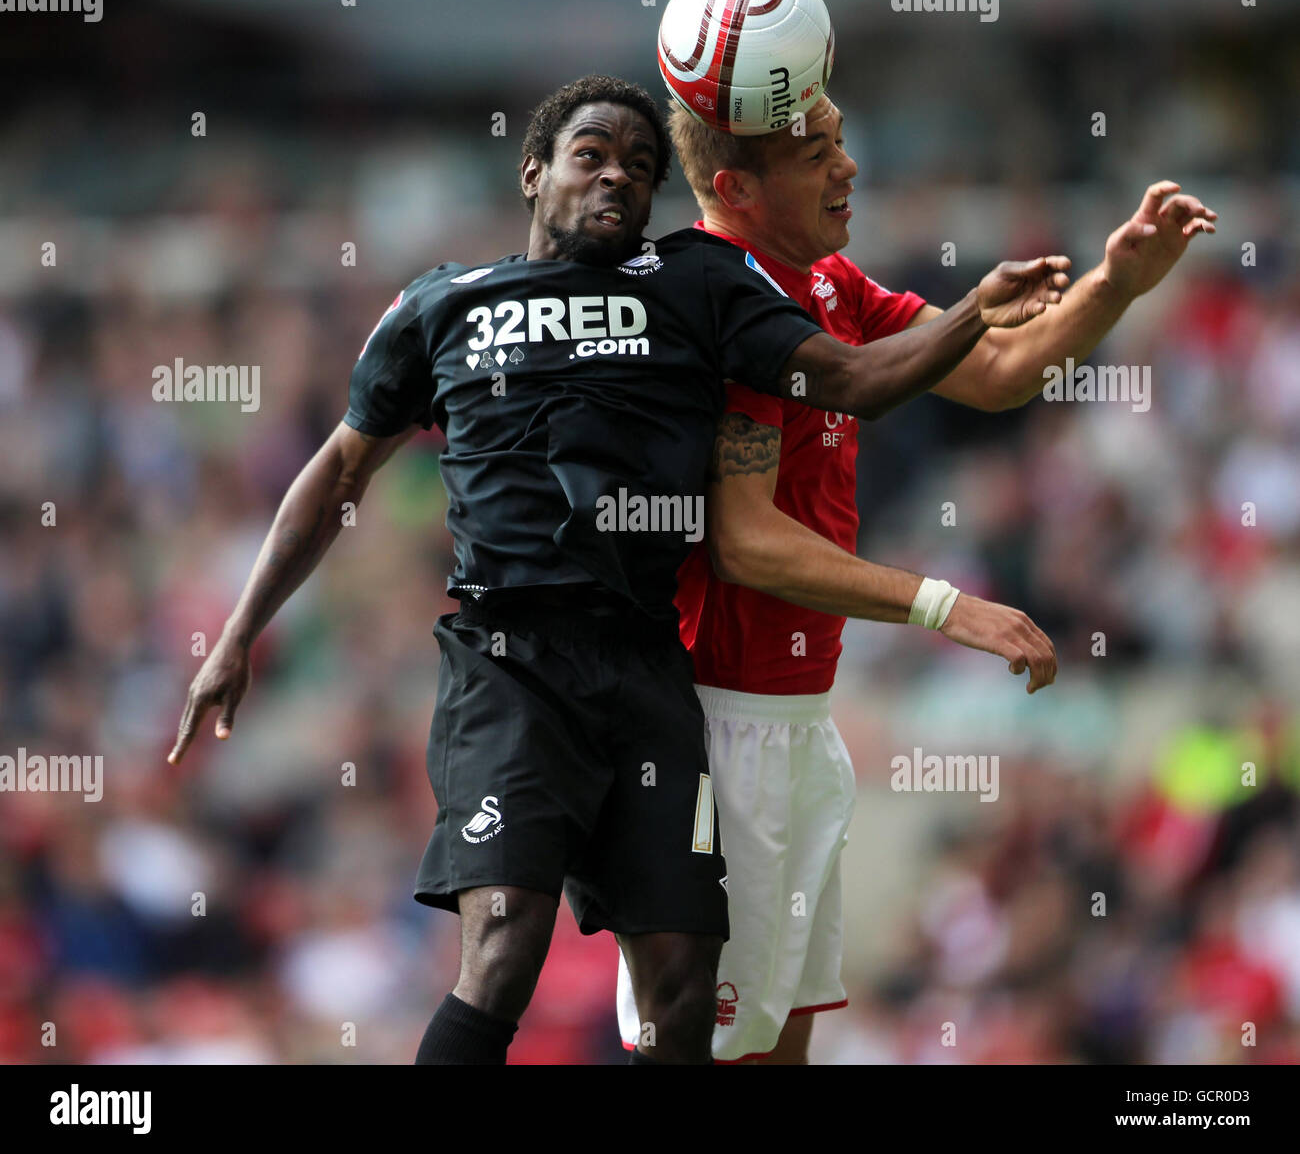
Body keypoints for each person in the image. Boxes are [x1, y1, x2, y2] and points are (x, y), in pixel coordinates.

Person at [166, 75, 1068, 1065]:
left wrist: (974, 311)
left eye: (640, 167)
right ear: (533, 172)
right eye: (592, 155)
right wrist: (238, 632)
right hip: (508, 665)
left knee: (686, 981)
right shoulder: (443, 305)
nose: (618, 178)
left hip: (646, 666)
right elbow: (339, 468)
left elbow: (855, 378)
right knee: (506, 940)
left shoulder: (694, 288)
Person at [616, 91, 1216, 1063]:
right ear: (735, 185)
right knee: (700, 1050)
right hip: (719, 735)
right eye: (816, 154)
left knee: (778, 1048)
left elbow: (1000, 368)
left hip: (796, 723)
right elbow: (746, 541)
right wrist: (945, 603)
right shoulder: (721, 304)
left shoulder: (827, 284)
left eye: (840, 143)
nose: (847, 167)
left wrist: (1115, 281)